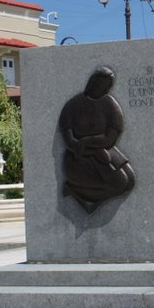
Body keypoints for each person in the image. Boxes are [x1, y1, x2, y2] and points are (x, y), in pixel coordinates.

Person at [58, 66, 135, 213]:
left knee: (130, 181)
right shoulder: (73, 105)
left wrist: (86, 142)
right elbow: (69, 141)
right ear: (95, 83)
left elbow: (110, 138)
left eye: (110, 85)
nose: (108, 88)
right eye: (105, 84)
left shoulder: (110, 104)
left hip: (106, 152)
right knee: (121, 183)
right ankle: (78, 191)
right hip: (80, 157)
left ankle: (83, 197)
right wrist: (86, 148)